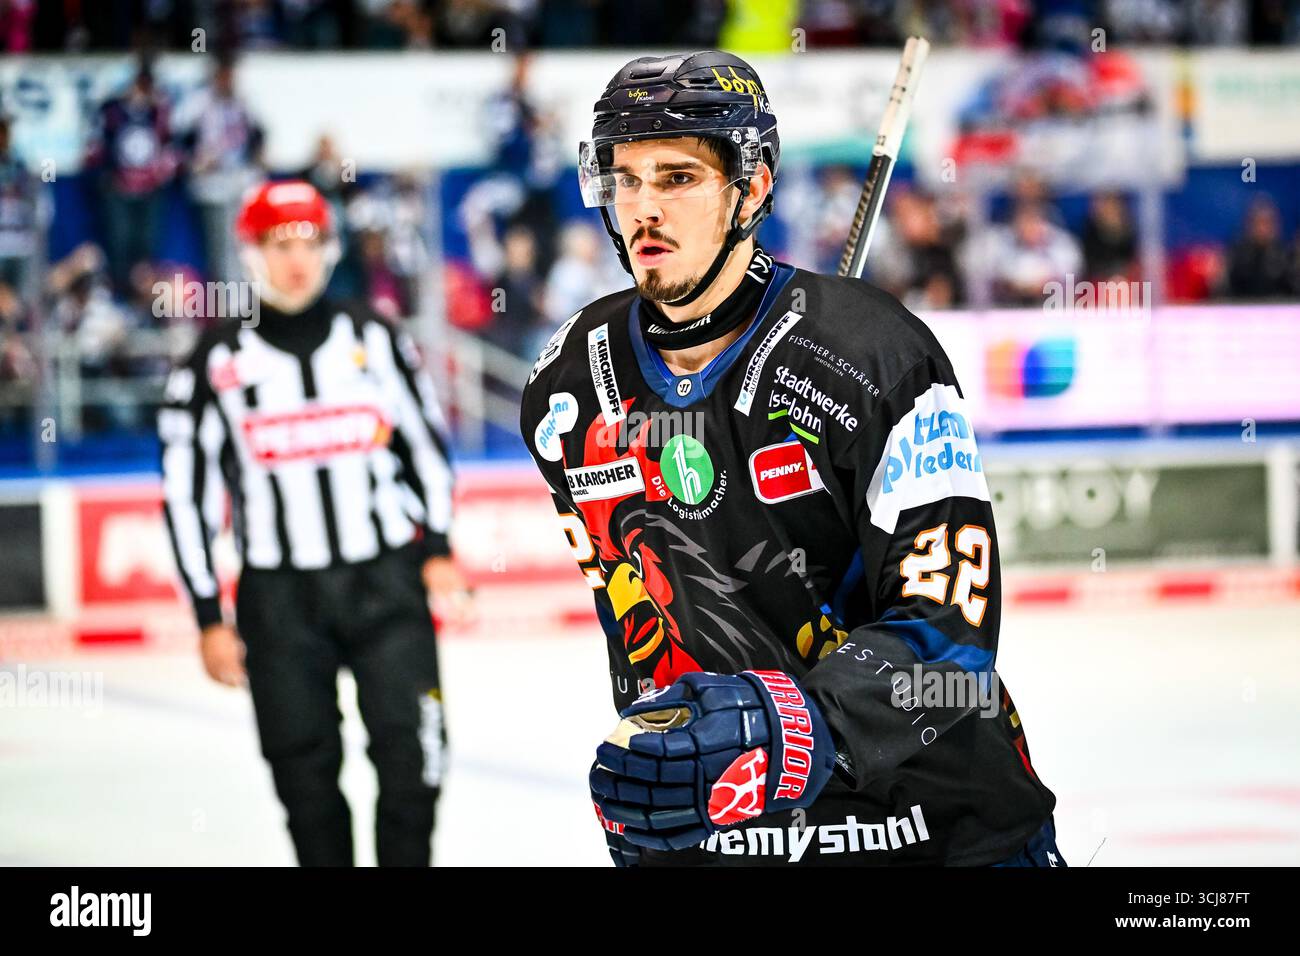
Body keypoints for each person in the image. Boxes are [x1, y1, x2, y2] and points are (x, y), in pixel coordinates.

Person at [519, 51, 1063, 867]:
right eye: (625, 180)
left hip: (934, 827)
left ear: (754, 186)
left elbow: (953, 642)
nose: (644, 208)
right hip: (732, 828)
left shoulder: (874, 356)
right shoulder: (570, 386)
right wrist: (658, 772)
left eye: (677, 178)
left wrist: (800, 726)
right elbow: (635, 616)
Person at [159, 180, 470, 866]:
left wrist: (440, 545)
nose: (295, 259)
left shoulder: (376, 338)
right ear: (250, 253)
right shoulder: (212, 363)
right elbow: (186, 497)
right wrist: (209, 618)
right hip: (279, 600)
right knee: (304, 779)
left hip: (386, 582)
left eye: (308, 242)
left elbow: (426, 446)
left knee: (414, 757)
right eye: (278, 243)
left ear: (330, 250)